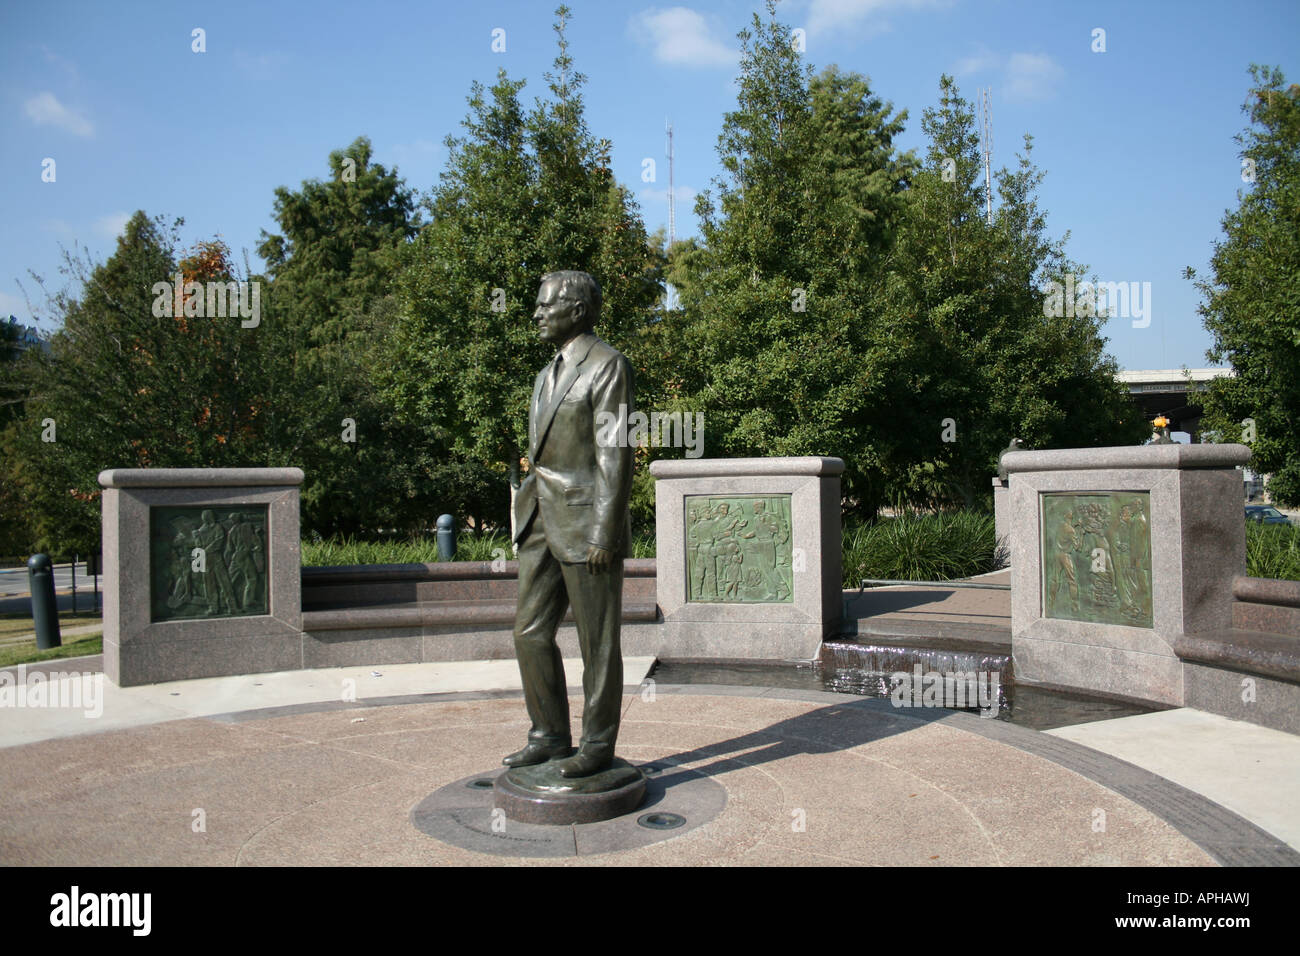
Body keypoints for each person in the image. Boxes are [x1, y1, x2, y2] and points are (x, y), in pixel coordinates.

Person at [503, 271, 634, 778]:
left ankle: (597, 744)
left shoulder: (607, 366)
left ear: (576, 310)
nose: (536, 314)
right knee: (528, 633)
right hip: (539, 516)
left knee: (597, 644)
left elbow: (614, 454)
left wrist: (606, 529)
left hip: (585, 524)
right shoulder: (545, 374)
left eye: (544, 306)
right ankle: (549, 734)